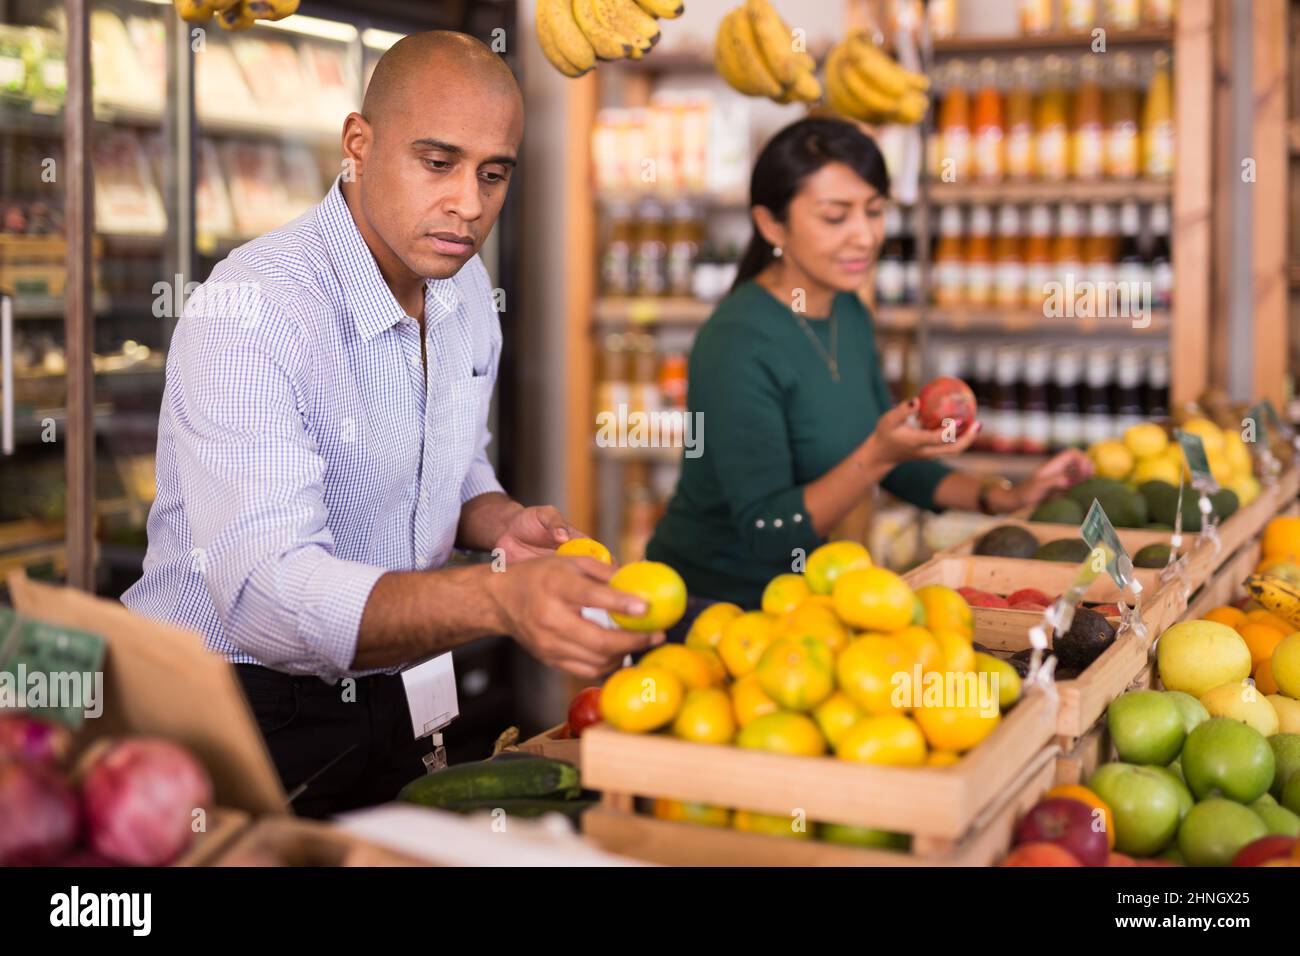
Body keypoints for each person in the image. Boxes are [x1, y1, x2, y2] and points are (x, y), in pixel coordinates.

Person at [122, 32, 658, 817]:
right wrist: (496, 600)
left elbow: (451, 455)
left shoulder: (465, 287)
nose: (470, 204)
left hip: (400, 692)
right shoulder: (256, 311)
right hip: (234, 709)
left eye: (494, 173)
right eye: (438, 163)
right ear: (358, 146)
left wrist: (498, 520)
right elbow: (267, 598)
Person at [645, 117, 1091, 635]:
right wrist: (877, 453)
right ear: (771, 226)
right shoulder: (737, 340)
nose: (865, 235)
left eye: (875, 211)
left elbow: (896, 465)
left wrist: (1002, 497)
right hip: (715, 616)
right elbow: (771, 530)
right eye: (836, 217)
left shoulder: (848, 314)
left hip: (811, 606)